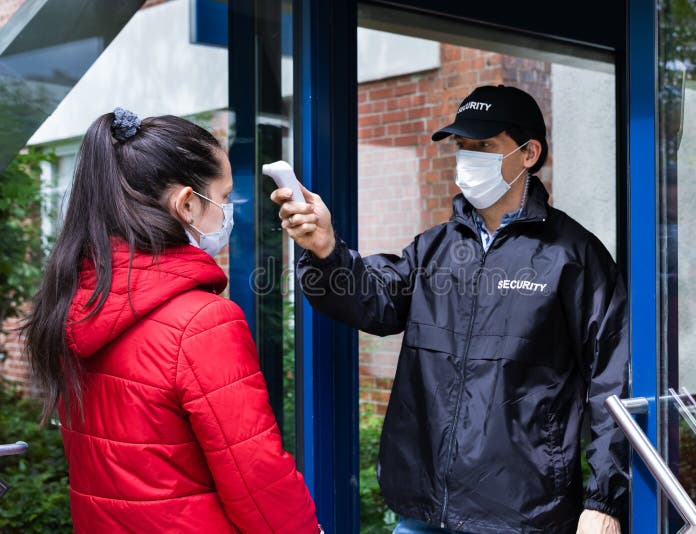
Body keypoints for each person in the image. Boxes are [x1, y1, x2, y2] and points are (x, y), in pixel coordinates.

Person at [272, 85, 629, 533]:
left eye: (484, 146)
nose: (468, 160)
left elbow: (613, 383)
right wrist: (326, 250)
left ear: (529, 153)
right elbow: (373, 302)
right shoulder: (434, 248)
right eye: (462, 147)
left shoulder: (574, 256)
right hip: (422, 510)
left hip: (523, 514)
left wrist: (604, 501)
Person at [22, 109, 319, 533]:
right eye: (225, 195)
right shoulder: (201, 322)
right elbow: (256, 474)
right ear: (186, 203)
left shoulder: (75, 303)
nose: (230, 211)